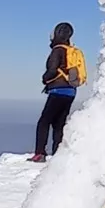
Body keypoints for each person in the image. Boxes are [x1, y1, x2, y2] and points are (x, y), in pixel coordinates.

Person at [31, 22, 86, 162]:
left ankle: (40, 153)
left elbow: (52, 70)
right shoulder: (70, 51)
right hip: (71, 91)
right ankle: (57, 154)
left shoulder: (58, 50)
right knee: (59, 123)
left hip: (57, 90)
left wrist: (45, 79)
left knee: (44, 121)